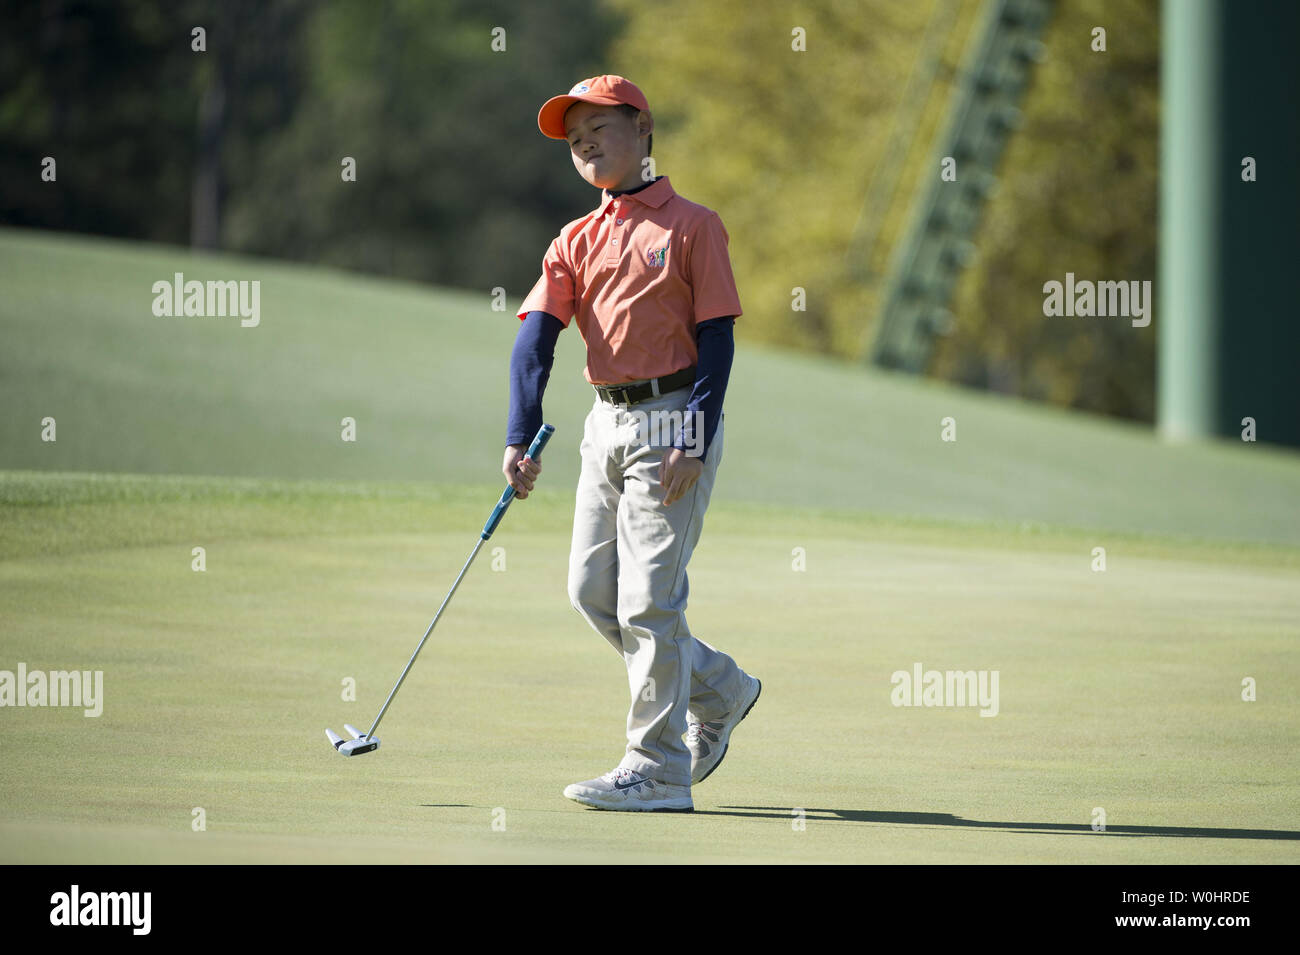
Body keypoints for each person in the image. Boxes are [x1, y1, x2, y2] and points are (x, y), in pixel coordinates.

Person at [503, 75, 761, 812]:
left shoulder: (693, 225)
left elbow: (716, 339)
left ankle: (658, 768)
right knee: (593, 593)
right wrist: (521, 433)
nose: (584, 145)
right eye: (574, 139)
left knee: (649, 601)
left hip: (674, 419)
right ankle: (723, 688)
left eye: (599, 130)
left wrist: (695, 436)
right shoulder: (574, 239)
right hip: (604, 425)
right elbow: (536, 339)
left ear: (643, 128)